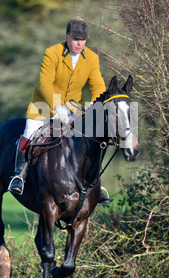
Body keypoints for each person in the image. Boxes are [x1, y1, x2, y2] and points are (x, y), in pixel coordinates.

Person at [8, 16, 110, 204]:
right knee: (29, 133)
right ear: (67, 36)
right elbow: (44, 82)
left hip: (74, 109)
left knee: (92, 141)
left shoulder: (92, 59)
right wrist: (56, 106)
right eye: (75, 39)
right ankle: (19, 175)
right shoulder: (52, 53)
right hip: (44, 107)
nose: (79, 43)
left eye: (83, 40)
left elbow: (97, 85)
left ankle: (96, 183)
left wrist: (101, 105)